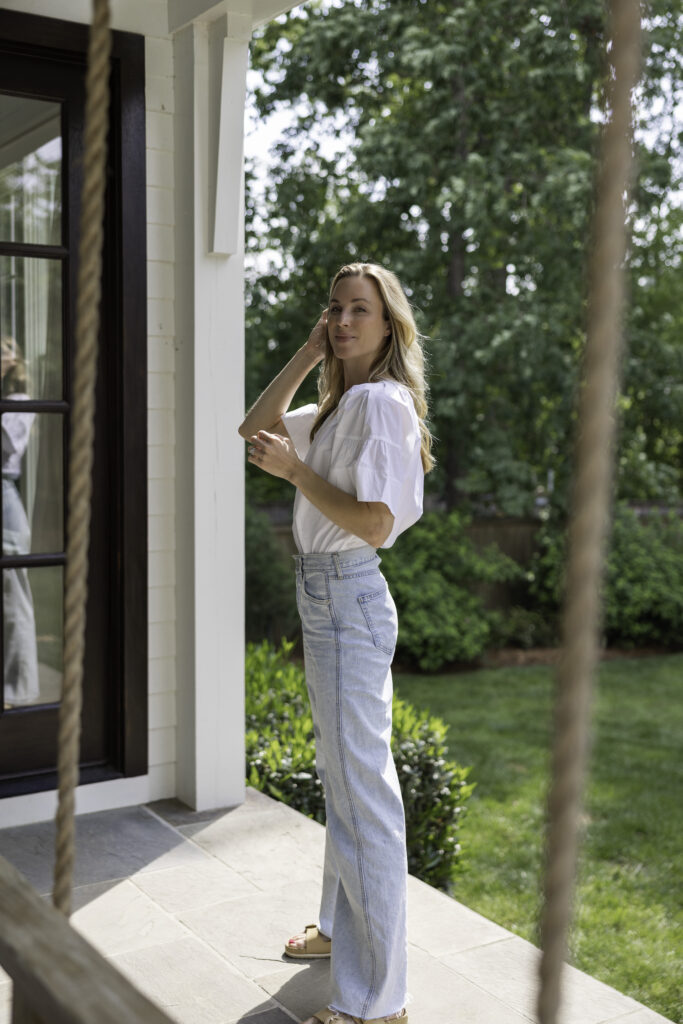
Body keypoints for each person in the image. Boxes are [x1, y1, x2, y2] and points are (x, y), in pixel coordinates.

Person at [239, 262, 433, 1024]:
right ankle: (333, 930)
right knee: (342, 777)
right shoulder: (338, 402)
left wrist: (295, 473)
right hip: (324, 595)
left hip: (348, 592)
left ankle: (378, 1002)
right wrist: (307, 353)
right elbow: (250, 427)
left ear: (389, 328)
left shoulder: (382, 404)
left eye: (362, 310)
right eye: (336, 308)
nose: (346, 320)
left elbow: (377, 524)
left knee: (365, 795)